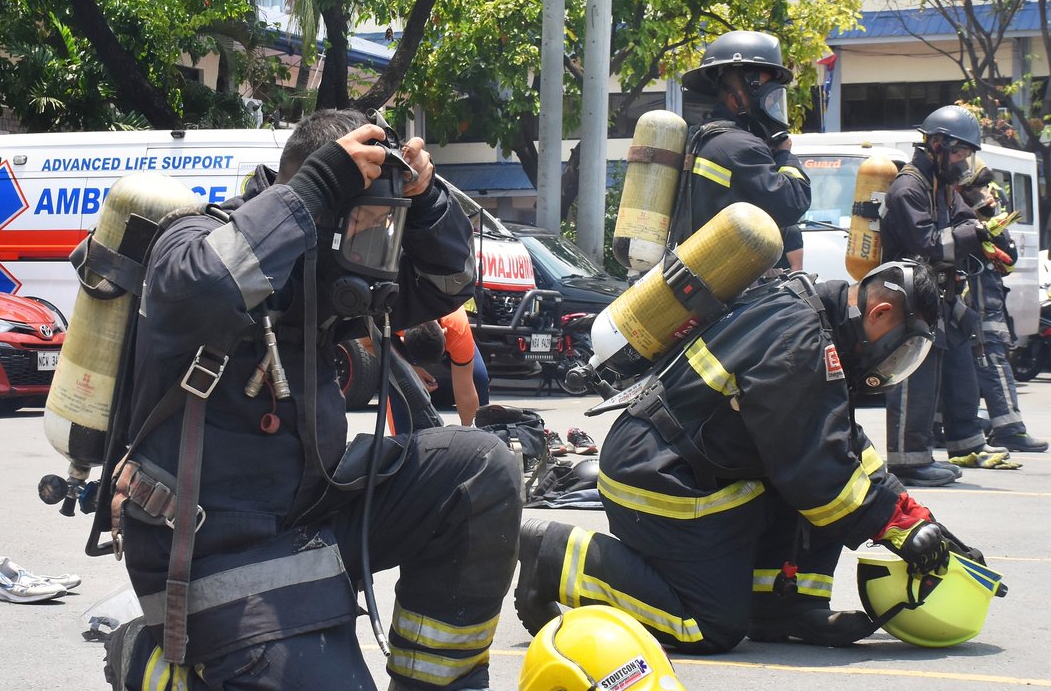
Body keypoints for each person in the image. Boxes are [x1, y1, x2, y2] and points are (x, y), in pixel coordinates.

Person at [104, 109, 558, 691]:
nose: (378, 247)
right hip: (213, 546)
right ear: (317, 201)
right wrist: (312, 193)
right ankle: (146, 662)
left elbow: (443, 285)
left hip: (310, 502)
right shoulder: (194, 238)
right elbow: (197, 287)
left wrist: (426, 202)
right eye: (368, 226)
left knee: (480, 464)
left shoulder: (334, 268)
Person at [515, 260, 952, 653]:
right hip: (662, 478)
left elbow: (840, 442)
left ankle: (782, 606)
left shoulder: (812, 316)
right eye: (902, 348)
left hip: (684, 464)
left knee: (827, 488)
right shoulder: (801, 341)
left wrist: (918, 519)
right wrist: (895, 529)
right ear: (879, 314)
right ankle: (556, 555)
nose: (894, 363)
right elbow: (816, 473)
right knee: (708, 625)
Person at [880, 105, 1015, 487]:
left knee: (961, 359)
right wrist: (973, 233)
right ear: (937, 144)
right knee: (915, 377)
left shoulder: (940, 186)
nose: (963, 161)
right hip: (909, 296)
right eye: (959, 153)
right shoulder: (909, 187)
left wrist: (983, 229)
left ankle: (965, 441)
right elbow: (925, 243)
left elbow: (962, 221)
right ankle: (908, 461)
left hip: (939, 294)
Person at [672, 30, 812, 257]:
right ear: (734, 97)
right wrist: (785, 155)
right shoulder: (740, 147)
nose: (772, 104)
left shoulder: (701, 139)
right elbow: (793, 204)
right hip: (731, 284)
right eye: (766, 94)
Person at [955, 161, 1048, 452]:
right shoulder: (957, 213)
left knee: (973, 363)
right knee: (989, 360)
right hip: (975, 300)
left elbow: (1010, 254)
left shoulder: (987, 212)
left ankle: (954, 425)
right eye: (979, 187)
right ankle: (1009, 430)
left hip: (988, 297)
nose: (987, 193)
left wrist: (990, 218)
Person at [393, 305, 489, 432]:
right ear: (403, 339)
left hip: (448, 319)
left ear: (444, 333)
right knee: (399, 384)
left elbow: (465, 390)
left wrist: (472, 437)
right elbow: (368, 344)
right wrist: (410, 369)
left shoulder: (455, 325)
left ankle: (483, 436)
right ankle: (403, 444)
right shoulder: (388, 316)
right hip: (397, 328)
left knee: (478, 378)